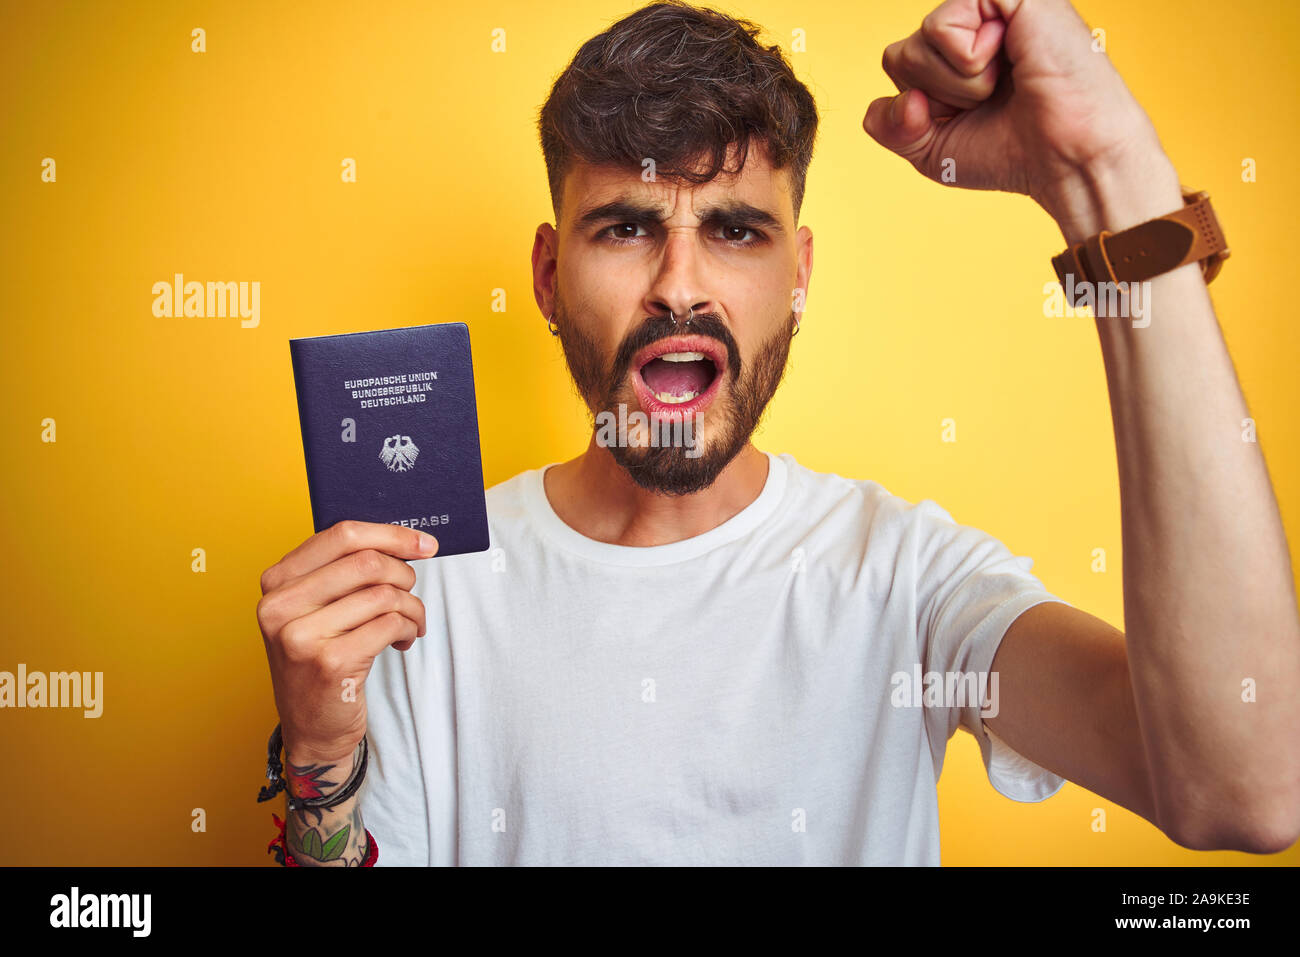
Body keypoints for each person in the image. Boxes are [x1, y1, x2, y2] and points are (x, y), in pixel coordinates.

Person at [256, 0, 1300, 865]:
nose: (679, 288)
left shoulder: (908, 584)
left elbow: (1246, 791)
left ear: (796, 277)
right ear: (546, 273)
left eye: (734, 230)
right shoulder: (415, 587)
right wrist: (319, 755)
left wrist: (1105, 175)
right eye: (625, 227)